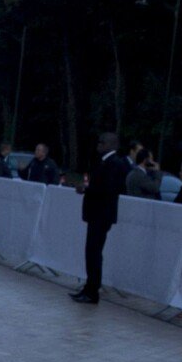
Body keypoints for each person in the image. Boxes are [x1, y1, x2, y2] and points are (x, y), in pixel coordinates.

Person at [71, 131, 131, 305]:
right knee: (92, 252)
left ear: (112, 145)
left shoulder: (114, 164)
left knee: (94, 252)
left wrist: (86, 189)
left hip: (101, 214)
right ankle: (89, 287)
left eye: (102, 142)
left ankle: (92, 291)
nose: (99, 145)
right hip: (97, 213)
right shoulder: (105, 163)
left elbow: (107, 189)